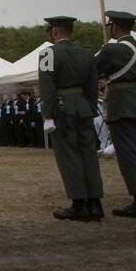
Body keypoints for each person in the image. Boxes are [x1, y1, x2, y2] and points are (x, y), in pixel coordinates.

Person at [94, 11, 136, 217]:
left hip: (122, 101)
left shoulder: (111, 49)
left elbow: (96, 69)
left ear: (114, 27)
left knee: (128, 152)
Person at [39, 16, 103, 221]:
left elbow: (47, 86)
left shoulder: (48, 53)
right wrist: (90, 108)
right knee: (89, 155)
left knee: (69, 156)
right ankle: (95, 203)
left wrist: (48, 115)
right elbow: (93, 87)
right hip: (83, 107)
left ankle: (79, 204)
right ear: (71, 32)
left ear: (54, 32)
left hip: (62, 108)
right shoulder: (86, 54)